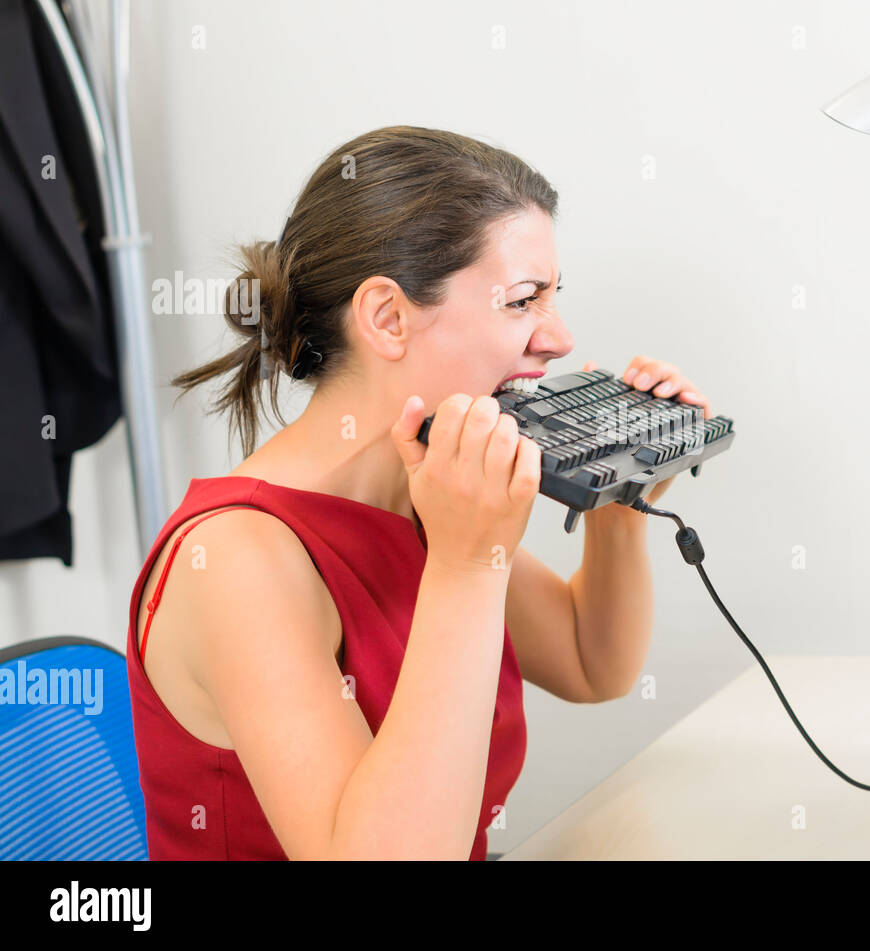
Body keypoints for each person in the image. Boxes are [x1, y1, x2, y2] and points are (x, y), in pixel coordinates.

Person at [126, 126, 712, 859]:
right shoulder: (239, 558)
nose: (558, 337)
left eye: (554, 298)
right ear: (387, 318)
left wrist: (625, 485)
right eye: (522, 301)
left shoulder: (425, 492)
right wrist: (467, 565)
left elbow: (593, 663)